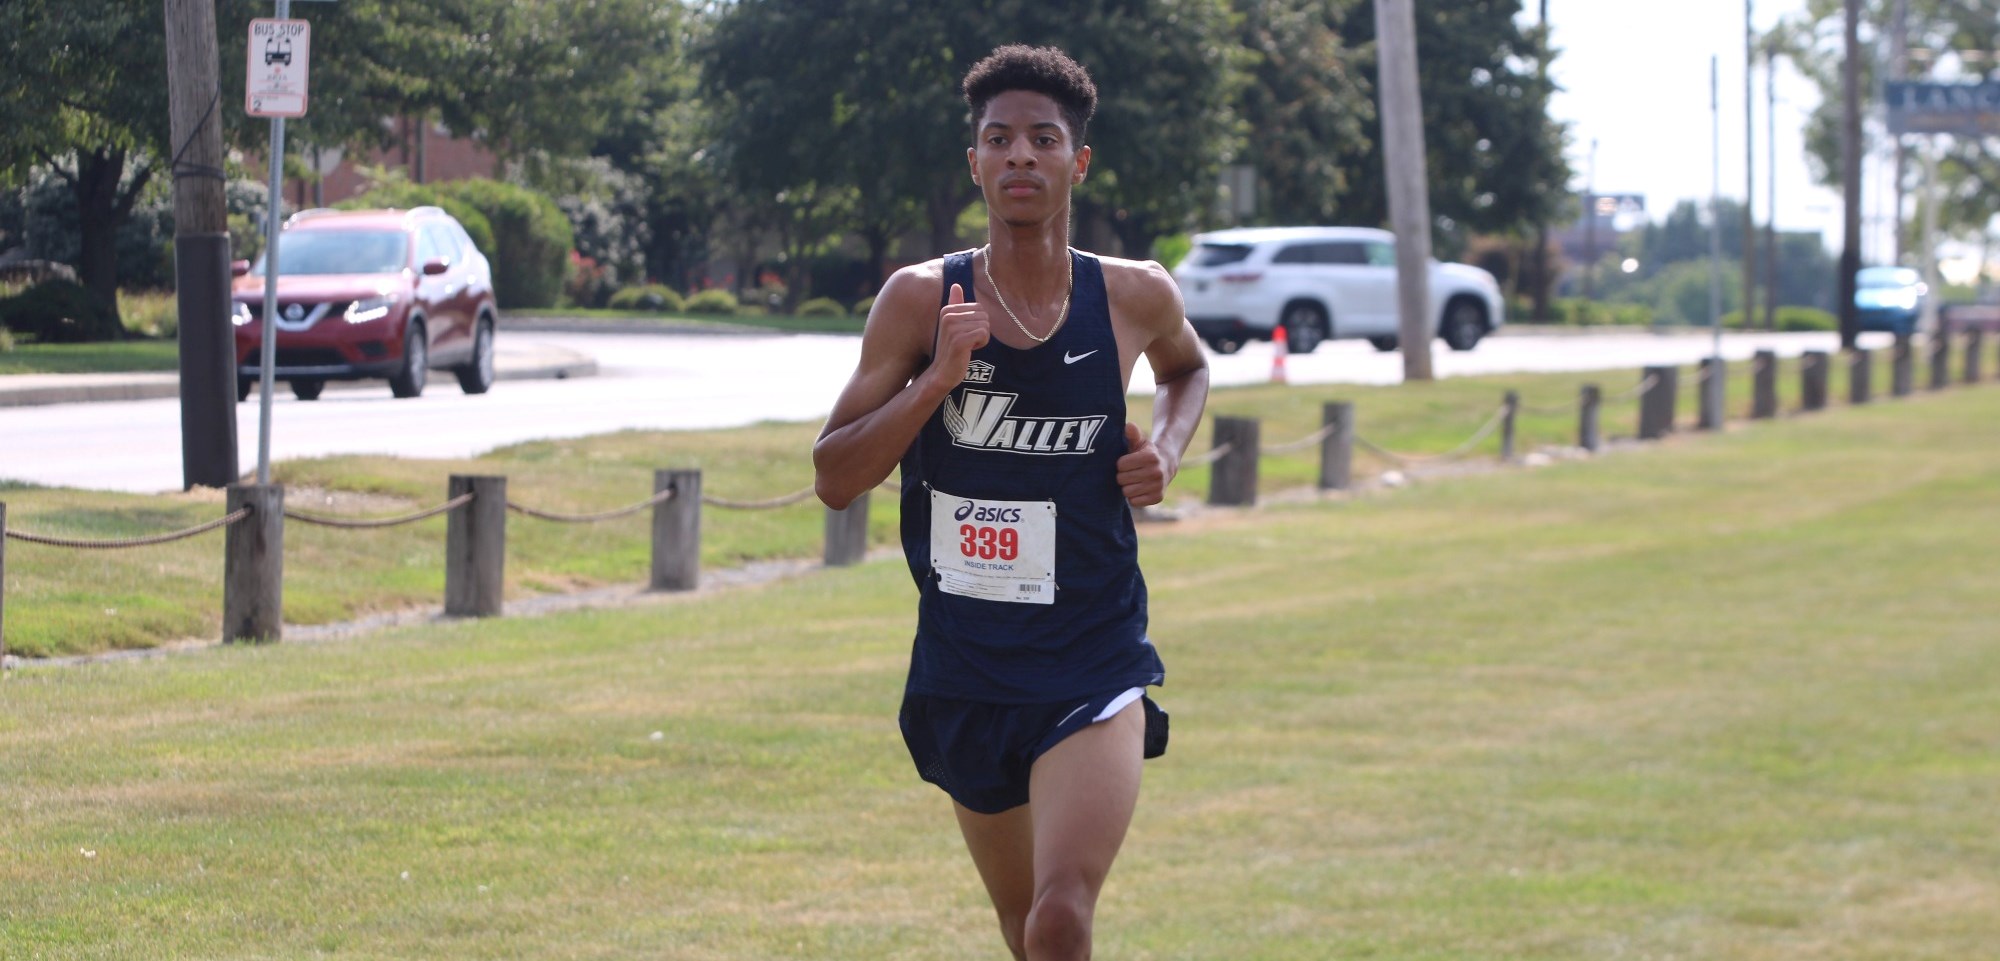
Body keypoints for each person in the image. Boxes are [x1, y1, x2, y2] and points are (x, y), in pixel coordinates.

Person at [813, 44, 1210, 961]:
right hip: (967, 662)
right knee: (1022, 924)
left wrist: (1170, 450)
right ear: (975, 163)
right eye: (1000, 140)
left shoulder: (1134, 293)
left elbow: (1187, 370)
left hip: (1092, 651)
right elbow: (835, 477)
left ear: (1079, 162)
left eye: (1043, 139)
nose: (1020, 156)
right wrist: (936, 382)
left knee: (1062, 914)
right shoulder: (919, 299)